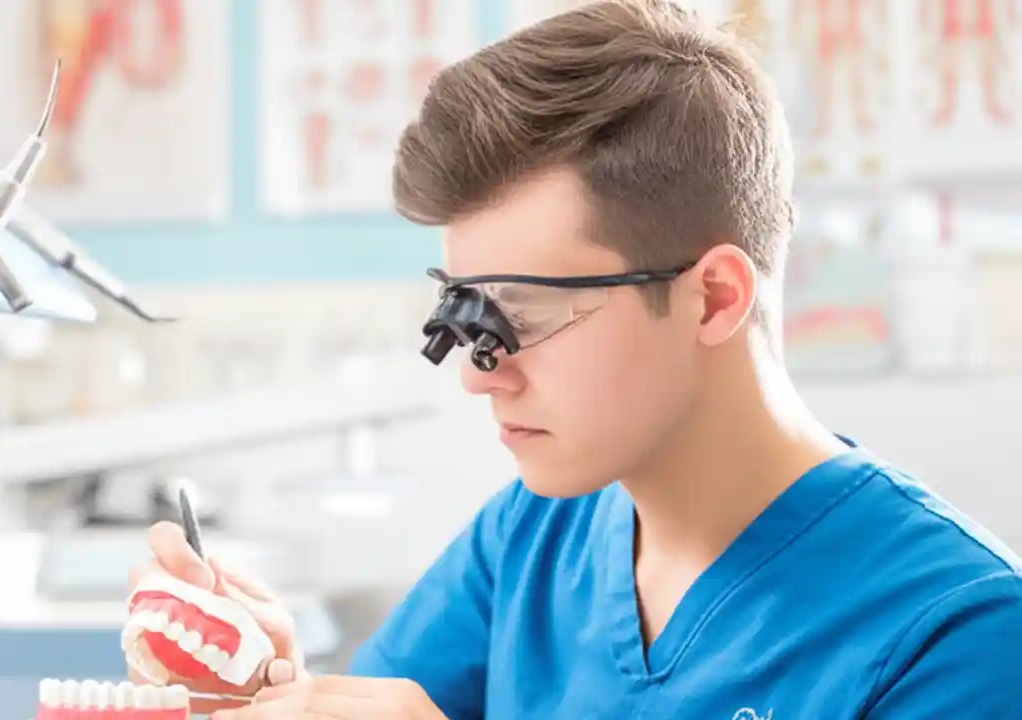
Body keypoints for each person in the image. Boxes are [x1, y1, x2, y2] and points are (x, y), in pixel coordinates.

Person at [128, 1, 1022, 717]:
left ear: (713, 296)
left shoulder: (958, 636)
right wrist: (266, 692)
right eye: (464, 312)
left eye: (522, 315)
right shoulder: (529, 539)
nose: (479, 373)